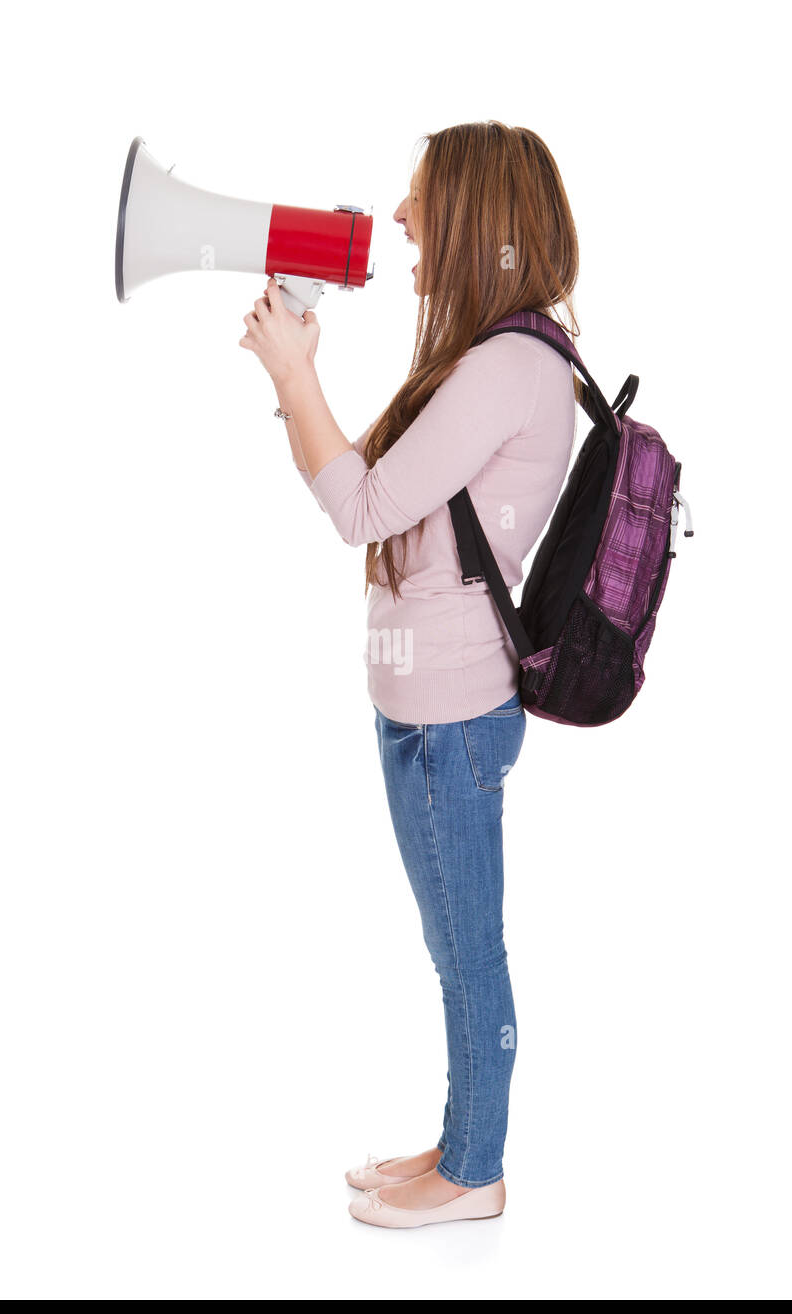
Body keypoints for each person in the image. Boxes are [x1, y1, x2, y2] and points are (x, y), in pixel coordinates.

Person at [239, 120, 578, 1229]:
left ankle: (472, 1172)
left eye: (419, 197)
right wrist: (298, 380)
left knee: (467, 951)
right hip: (429, 706)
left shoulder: (504, 367)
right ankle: (457, 1138)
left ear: (475, 216)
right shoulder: (499, 360)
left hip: (450, 714)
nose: (398, 218)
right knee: (452, 945)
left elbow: (363, 509)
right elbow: (371, 494)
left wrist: (294, 374)